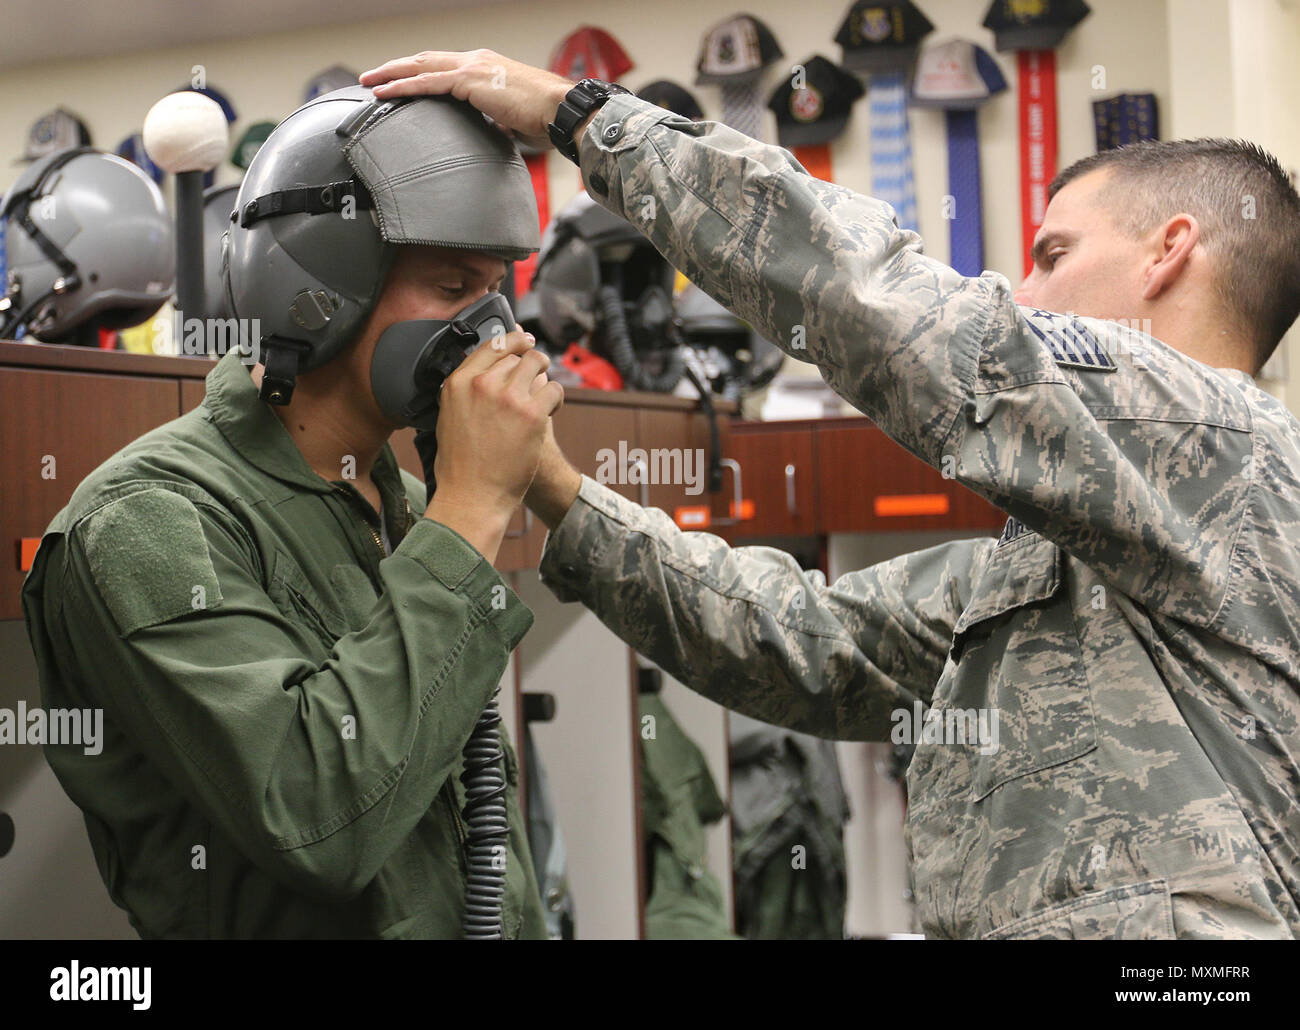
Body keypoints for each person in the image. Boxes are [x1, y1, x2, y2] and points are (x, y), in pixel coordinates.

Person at [360, 50, 1300, 939]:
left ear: (1168, 253)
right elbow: (802, 639)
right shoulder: (1073, 558)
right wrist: (563, 495)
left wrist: (586, 119)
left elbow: (883, 304)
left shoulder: (1229, 445)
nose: (1023, 284)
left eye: (1054, 253)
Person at [21, 86, 562, 938]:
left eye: (496, 291)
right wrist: (468, 517)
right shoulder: (148, 521)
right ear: (323, 289)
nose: (496, 333)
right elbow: (319, 820)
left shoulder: (407, 504)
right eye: (454, 286)